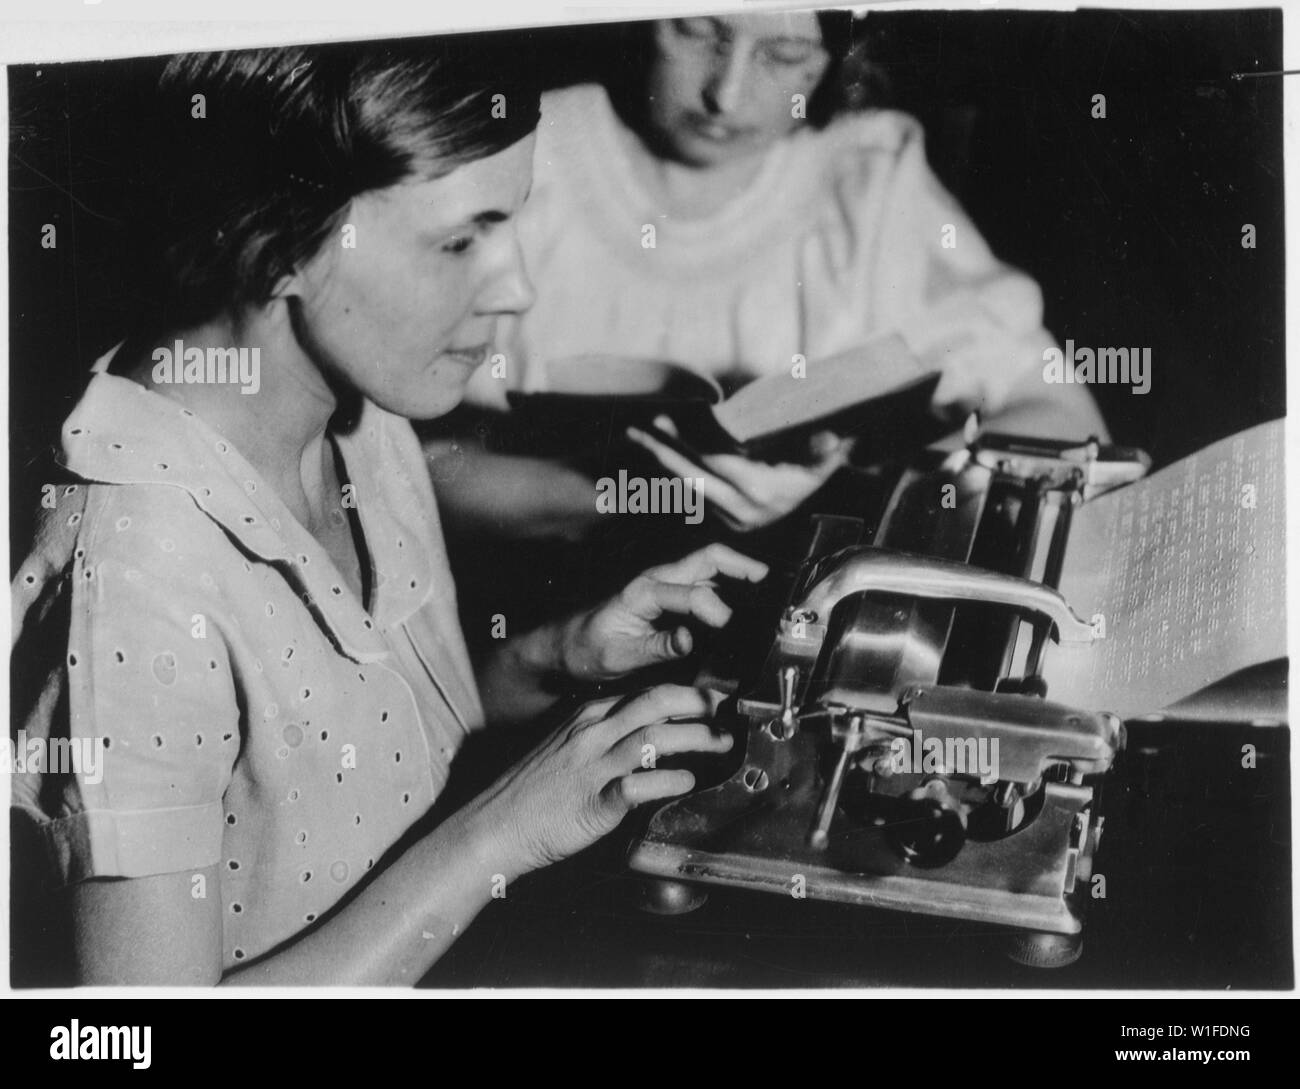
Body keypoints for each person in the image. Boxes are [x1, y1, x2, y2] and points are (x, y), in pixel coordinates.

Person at [8, 40, 769, 987]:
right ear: (278, 241)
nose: (515, 287)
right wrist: (498, 834)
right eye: (461, 240)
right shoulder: (135, 576)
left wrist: (554, 655)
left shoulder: (360, 413)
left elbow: (356, 757)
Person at [427, 9, 1106, 543]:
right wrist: (635, 496)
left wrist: (866, 494)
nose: (725, 94)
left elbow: (1063, 416)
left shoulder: (867, 177)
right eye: (696, 30)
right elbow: (402, 469)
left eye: (784, 56)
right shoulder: (528, 149)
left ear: (841, 56)